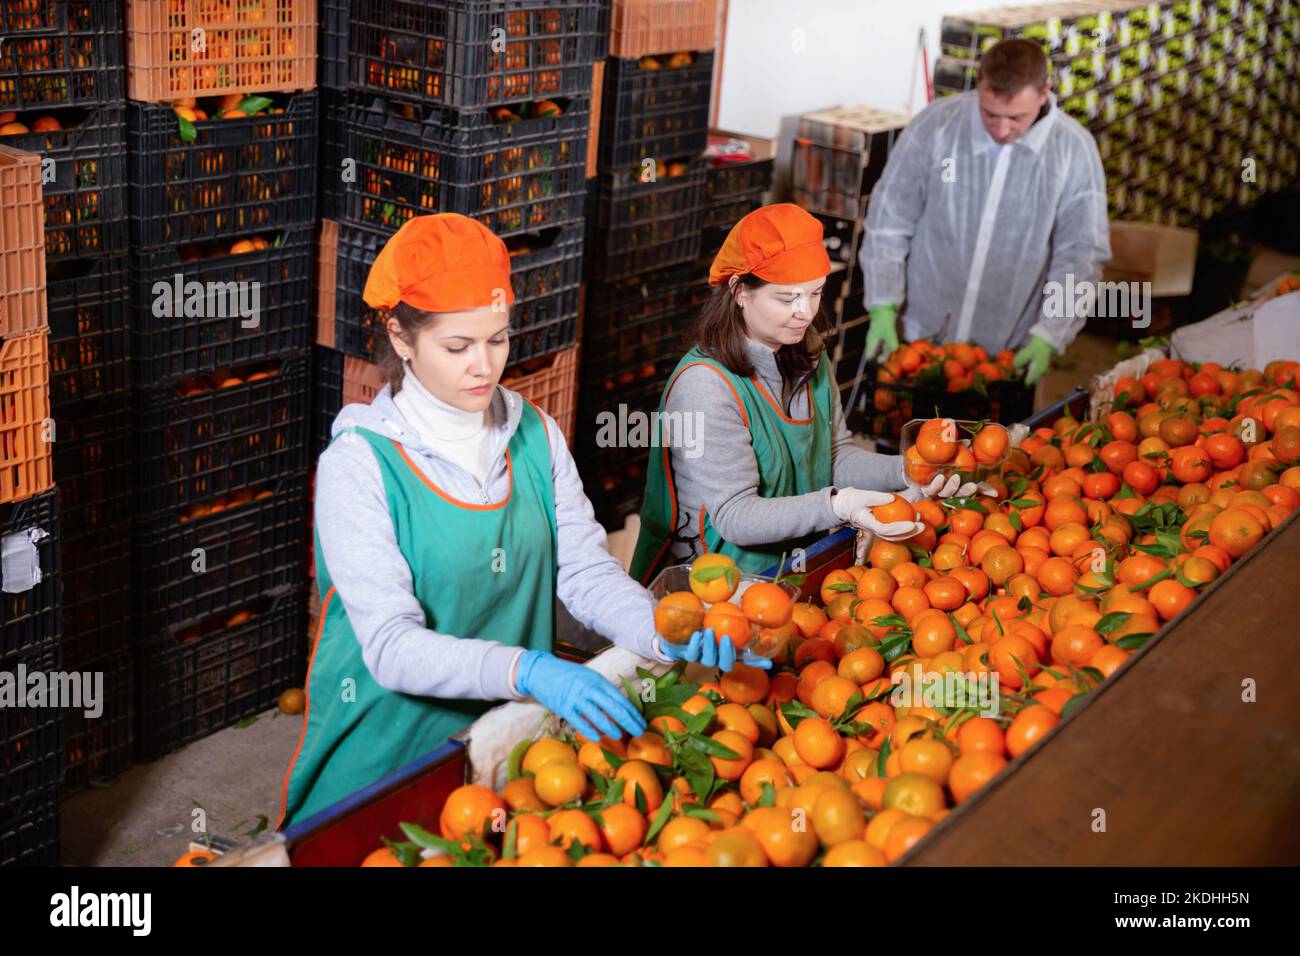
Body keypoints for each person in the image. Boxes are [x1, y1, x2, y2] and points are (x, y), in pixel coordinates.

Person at [278, 215, 744, 831]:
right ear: (400, 337)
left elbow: (582, 571)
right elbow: (391, 648)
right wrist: (529, 669)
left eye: (497, 339)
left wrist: (657, 632)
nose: (484, 366)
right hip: (385, 760)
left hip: (505, 744)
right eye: (457, 346)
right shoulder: (360, 465)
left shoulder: (532, 434)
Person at [630, 204, 976, 586]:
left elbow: (832, 455)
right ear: (740, 291)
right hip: (710, 585)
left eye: (815, 293)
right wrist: (838, 505)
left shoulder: (809, 353)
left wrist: (911, 471)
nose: (805, 312)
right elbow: (735, 516)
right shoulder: (705, 387)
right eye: (786, 298)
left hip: (791, 569)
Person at [857, 37, 1111, 385]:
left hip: (1003, 355)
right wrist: (883, 306)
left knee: (990, 439)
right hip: (917, 343)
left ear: (1043, 93)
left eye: (1016, 117)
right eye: (990, 113)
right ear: (980, 86)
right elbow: (889, 220)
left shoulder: (1073, 150)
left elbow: (1081, 255)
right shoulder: (937, 126)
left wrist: (1051, 333)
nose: (1002, 129)